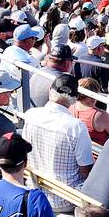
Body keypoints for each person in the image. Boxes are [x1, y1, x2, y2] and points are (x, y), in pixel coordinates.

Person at [21, 73, 96, 205]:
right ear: (74, 99)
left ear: (50, 90)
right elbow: (85, 172)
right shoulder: (76, 127)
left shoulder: (30, 115)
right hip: (65, 200)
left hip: (34, 191)